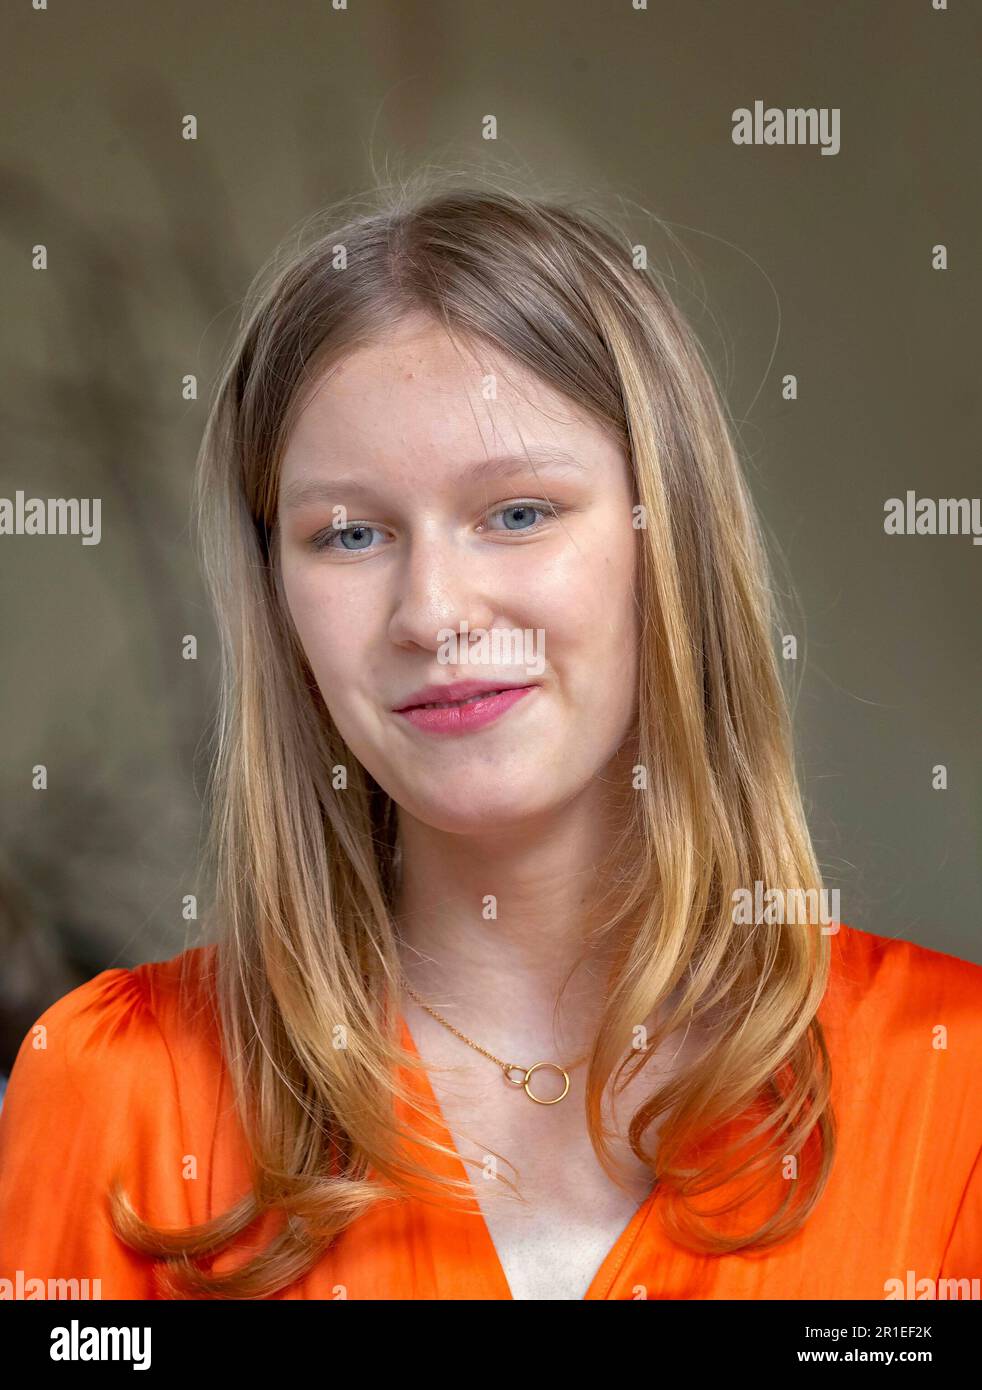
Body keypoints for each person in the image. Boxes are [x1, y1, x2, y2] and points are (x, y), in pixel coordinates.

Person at [1, 180, 979, 1301]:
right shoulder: (120, 1087)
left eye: (516, 512)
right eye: (350, 533)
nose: (431, 611)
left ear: (670, 541)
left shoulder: (953, 1089)